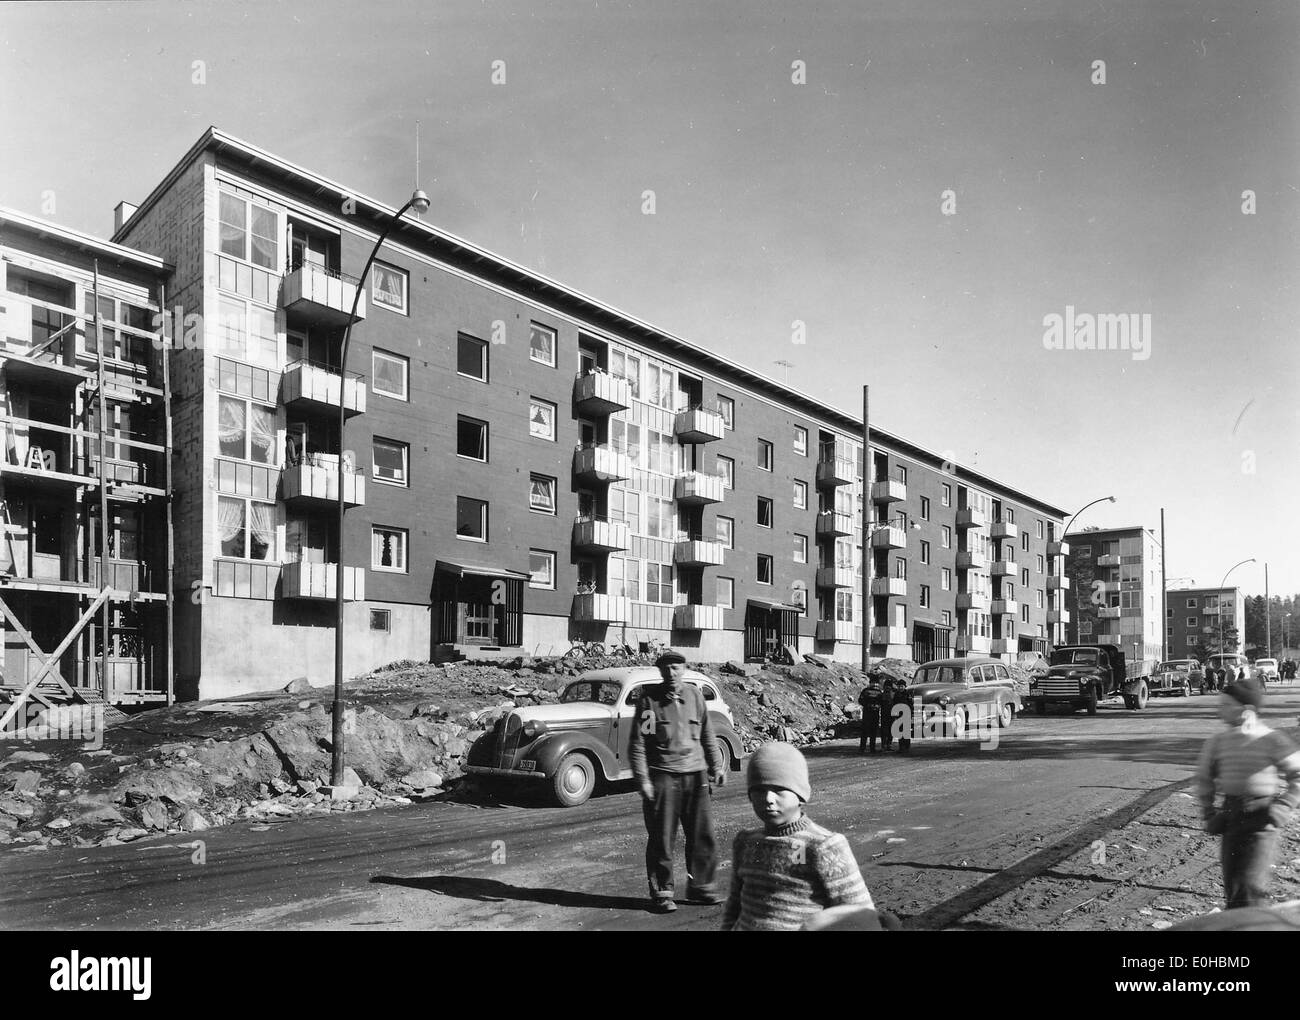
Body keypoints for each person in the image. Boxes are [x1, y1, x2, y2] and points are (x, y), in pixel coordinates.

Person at [721, 742, 876, 931]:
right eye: (759, 790)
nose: (768, 799)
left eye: (779, 789)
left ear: (800, 794)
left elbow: (859, 914)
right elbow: (734, 906)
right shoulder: (745, 843)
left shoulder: (823, 846)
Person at [630, 649, 726, 913]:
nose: (671, 674)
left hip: (696, 776)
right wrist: (644, 780)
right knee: (661, 837)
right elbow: (638, 744)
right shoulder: (649, 701)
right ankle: (662, 892)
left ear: (684, 669)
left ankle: (702, 887)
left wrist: (716, 765)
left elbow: (707, 733)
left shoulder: (695, 695)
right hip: (662, 776)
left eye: (676, 668)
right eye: (666, 669)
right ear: (660, 672)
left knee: (702, 835)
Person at [1193, 674, 1300, 909]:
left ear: (1246, 709)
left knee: (1250, 887)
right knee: (1233, 885)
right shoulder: (1218, 742)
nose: (1220, 711)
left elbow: (1298, 774)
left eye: (1226, 706)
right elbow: (1204, 779)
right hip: (1230, 816)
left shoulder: (1271, 739)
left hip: (1262, 819)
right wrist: (1209, 813)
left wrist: (1283, 807)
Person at [858, 676, 885, 754]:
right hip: (868, 713)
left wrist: (873, 705)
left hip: (873, 713)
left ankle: (868, 748)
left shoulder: (878, 692)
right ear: (870, 683)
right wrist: (870, 705)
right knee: (866, 731)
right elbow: (861, 700)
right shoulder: (868, 691)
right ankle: (864, 748)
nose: (875, 684)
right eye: (873, 682)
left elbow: (861, 700)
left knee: (871, 731)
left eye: (876, 683)